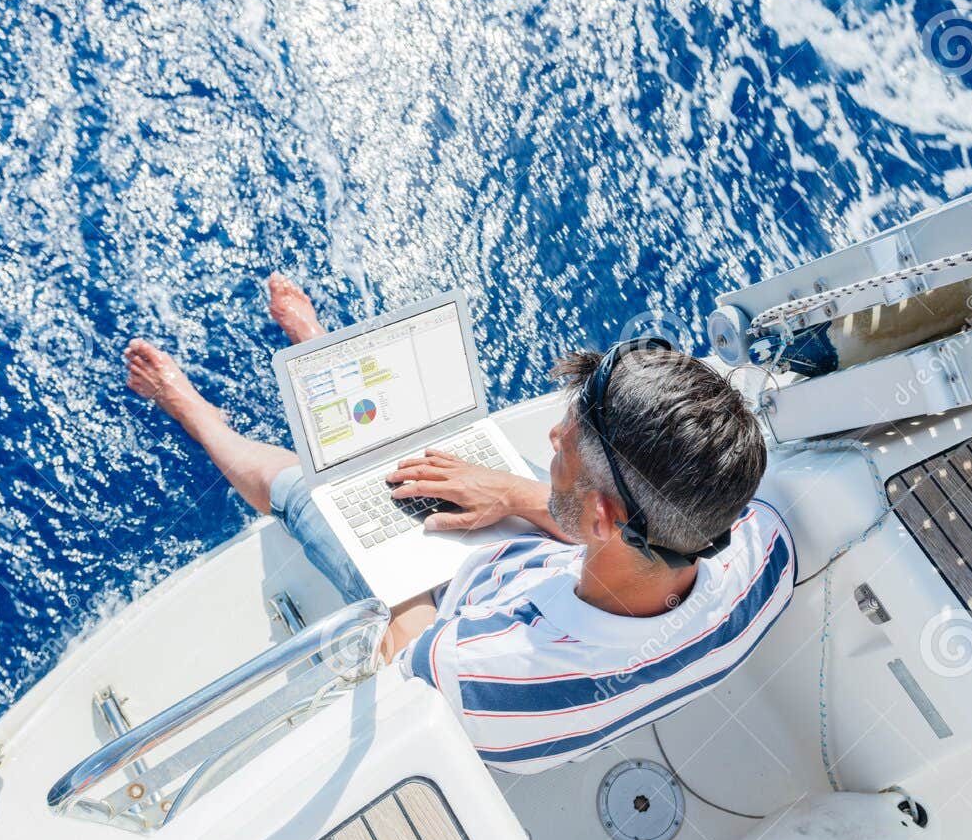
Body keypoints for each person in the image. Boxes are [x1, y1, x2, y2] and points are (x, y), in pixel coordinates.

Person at [125, 275, 796, 773]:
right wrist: (508, 491)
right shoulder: (764, 554)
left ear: (600, 517)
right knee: (451, 464)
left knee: (303, 489)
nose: (553, 434)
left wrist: (390, 553)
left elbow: (404, 646)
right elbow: (636, 537)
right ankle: (325, 368)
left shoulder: (482, 675)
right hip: (561, 559)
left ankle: (189, 406)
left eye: (565, 444)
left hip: (453, 608)